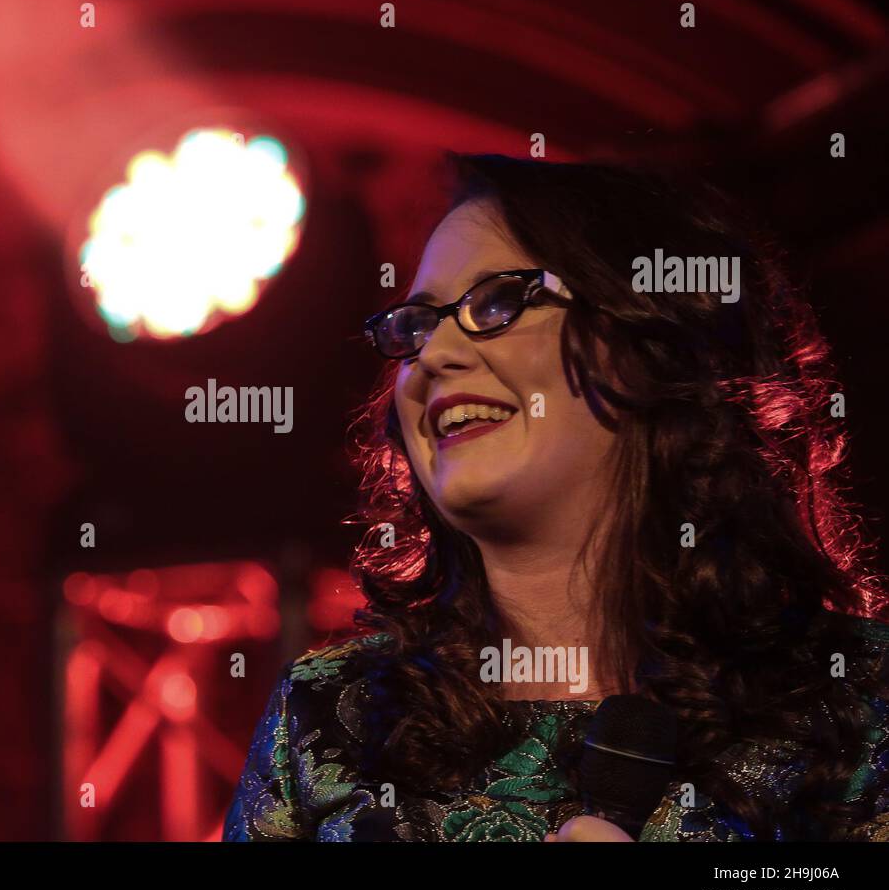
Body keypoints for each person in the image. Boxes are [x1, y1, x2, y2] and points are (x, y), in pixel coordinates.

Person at [223, 153, 889, 842]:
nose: (434, 354)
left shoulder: (860, 704)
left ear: (655, 341)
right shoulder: (328, 716)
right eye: (415, 325)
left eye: (499, 302)